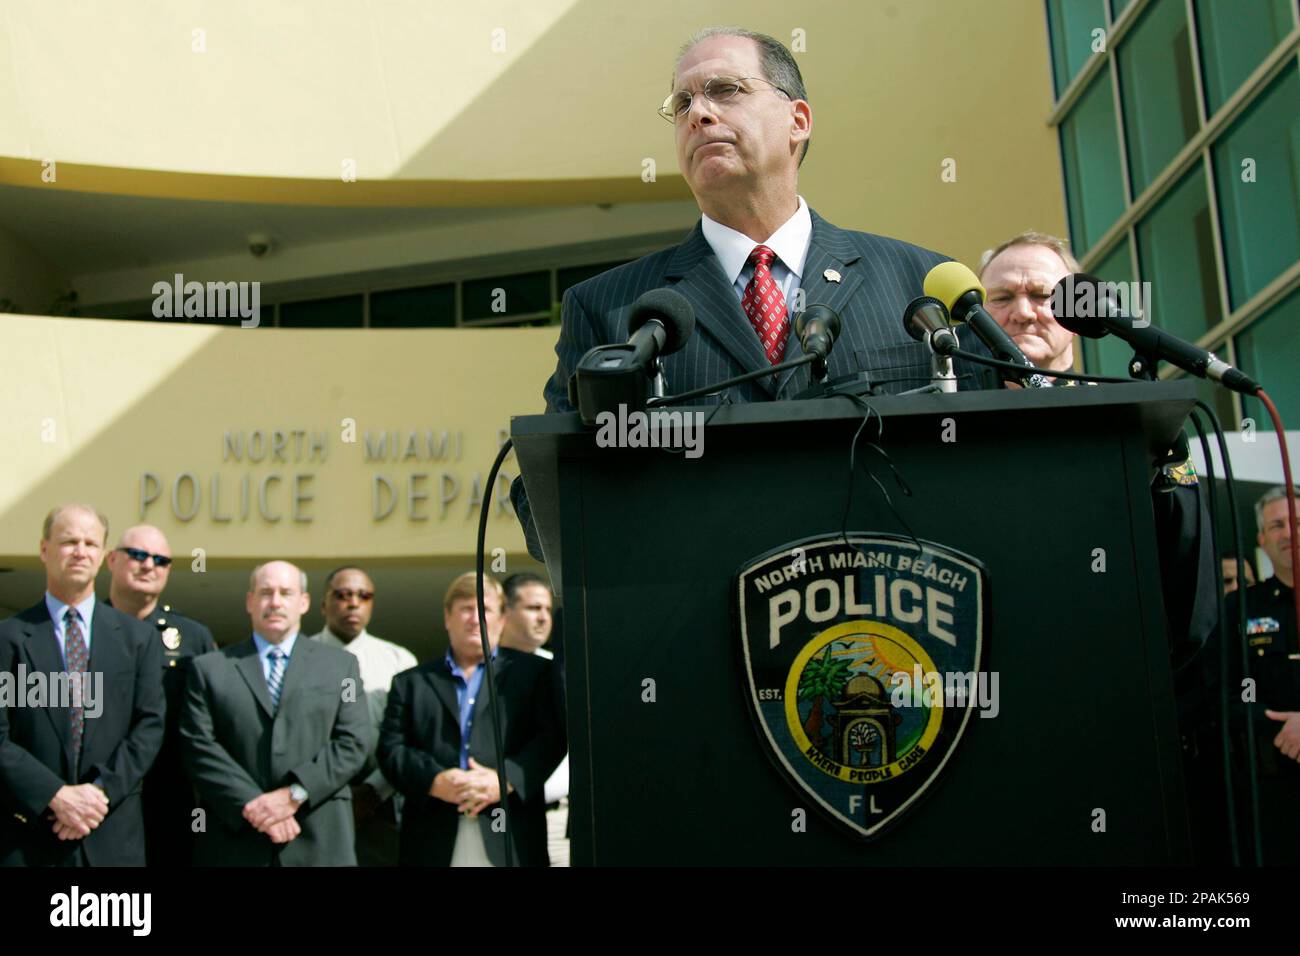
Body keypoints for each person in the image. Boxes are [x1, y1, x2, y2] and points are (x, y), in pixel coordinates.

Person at [512, 26, 998, 557]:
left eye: (725, 90)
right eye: (682, 103)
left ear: (798, 121)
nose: (698, 113)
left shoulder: (920, 284)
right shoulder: (612, 309)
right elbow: (546, 506)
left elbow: (993, 464)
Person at [0, 504, 165, 866]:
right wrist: (55, 796)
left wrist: (96, 795)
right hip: (29, 839)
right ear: (44, 550)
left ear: (104, 556)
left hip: (111, 838)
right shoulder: (8, 638)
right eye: (69, 541)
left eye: (90, 543)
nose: (80, 551)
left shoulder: (138, 639)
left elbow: (148, 727)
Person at [181, 560, 370, 866]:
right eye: (266, 592)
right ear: (250, 601)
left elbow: (354, 741)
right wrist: (254, 805)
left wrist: (293, 795)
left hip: (319, 839)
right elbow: (198, 745)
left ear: (304, 602)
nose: (276, 602)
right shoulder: (209, 669)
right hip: (235, 841)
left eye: (286, 592)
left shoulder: (341, 667)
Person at [378, 572, 563, 867]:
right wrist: (434, 780)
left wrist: (504, 780)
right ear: (447, 618)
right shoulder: (410, 683)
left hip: (510, 834)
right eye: (465, 608)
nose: (475, 618)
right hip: (432, 836)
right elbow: (391, 749)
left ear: (502, 619)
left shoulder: (535, 675)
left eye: (485, 609)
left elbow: (551, 739)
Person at [105, 524, 215, 867]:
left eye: (161, 560)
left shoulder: (193, 636)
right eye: (137, 555)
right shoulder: (83, 628)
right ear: (111, 560)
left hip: (170, 794)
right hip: (98, 789)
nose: (148, 565)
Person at [308, 566, 417, 867]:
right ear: (322, 604)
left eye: (363, 595)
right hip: (316, 802)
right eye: (342, 595)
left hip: (380, 803)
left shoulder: (399, 661)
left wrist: (373, 791)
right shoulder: (299, 657)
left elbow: (408, 736)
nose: (353, 602)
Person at [1217, 486, 1300, 864]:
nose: (1289, 533)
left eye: (1296, 522)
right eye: (1277, 525)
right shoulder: (1241, 609)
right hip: (1274, 789)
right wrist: (1277, 725)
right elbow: (1222, 691)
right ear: (1262, 540)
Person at [500, 572, 569, 865]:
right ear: (505, 611)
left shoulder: (562, 668)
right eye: (532, 608)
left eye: (546, 609)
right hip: (508, 817)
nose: (543, 617)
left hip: (562, 819)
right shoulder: (480, 671)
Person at [977, 231, 1079, 383]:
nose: (1023, 313)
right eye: (1002, 298)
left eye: (1041, 295)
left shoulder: (1113, 404)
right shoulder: (947, 403)